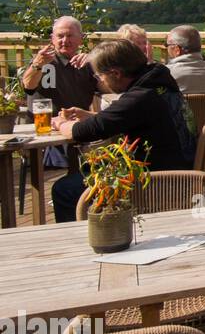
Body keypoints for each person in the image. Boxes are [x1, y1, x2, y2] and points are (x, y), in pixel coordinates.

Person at [49, 39, 194, 222]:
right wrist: (91, 115)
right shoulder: (159, 82)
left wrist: (61, 123)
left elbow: (81, 132)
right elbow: (125, 117)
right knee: (86, 173)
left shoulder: (140, 97)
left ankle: (83, 241)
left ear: (116, 73)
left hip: (156, 180)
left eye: (99, 76)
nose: (100, 80)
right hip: (180, 167)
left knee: (65, 189)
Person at [21, 15, 98, 170]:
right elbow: (28, 86)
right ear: (52, 39)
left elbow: (109, 89)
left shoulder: (86, 63)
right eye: (60, 36)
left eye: (70, 36)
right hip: (45, 134)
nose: (65, 40)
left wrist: (96, 63)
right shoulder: (44, 60)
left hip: (77, 129)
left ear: (81, 39)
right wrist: (37, 65)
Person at [165, 25, 205, 94]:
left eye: (167, 45)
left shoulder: (167, 74)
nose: (166, 48)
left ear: (176, 49)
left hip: (183, 105)